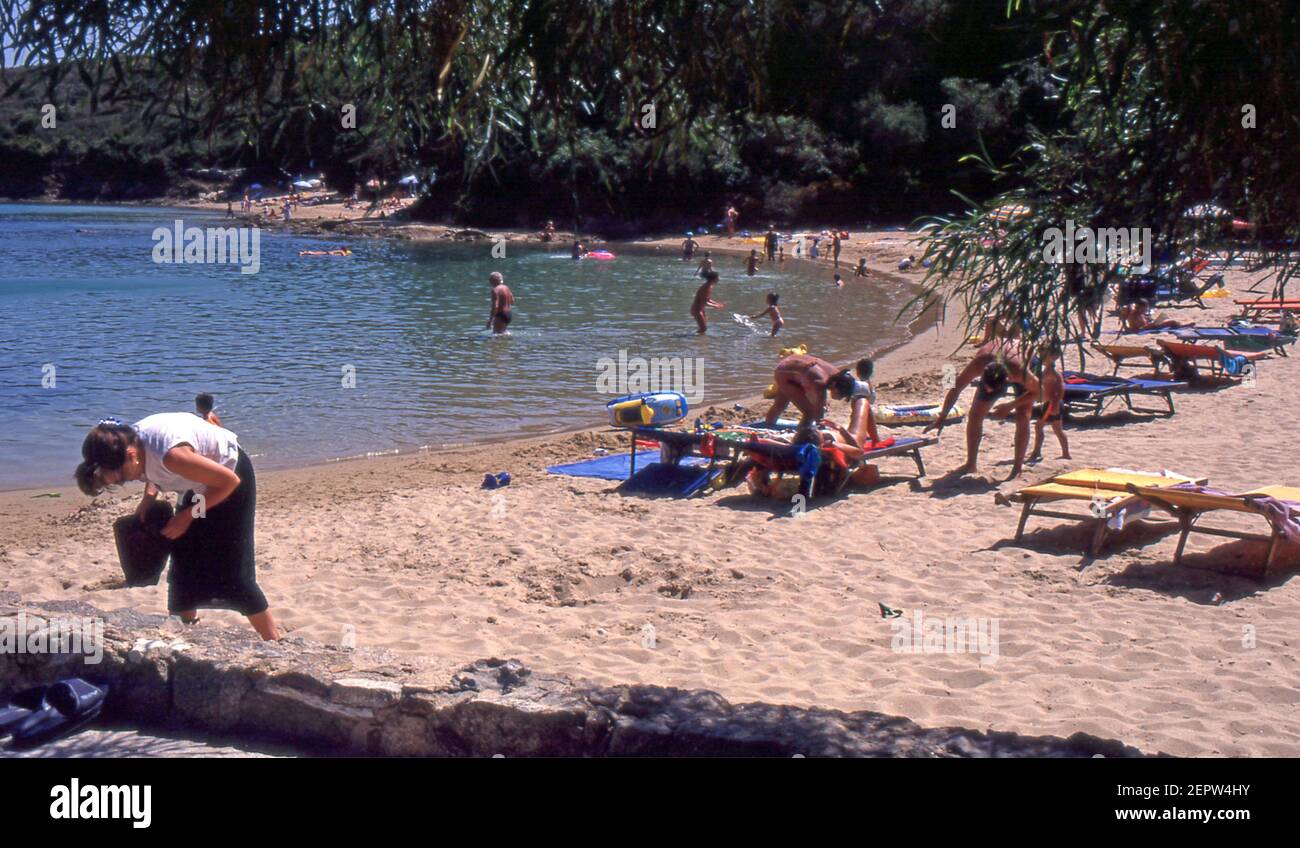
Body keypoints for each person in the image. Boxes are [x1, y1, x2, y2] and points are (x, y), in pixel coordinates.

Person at [74, 416, 279, 640]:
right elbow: (149, 468)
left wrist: (187, 516)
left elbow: (228, 481)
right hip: (195, 483)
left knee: (232, 573)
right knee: (183, 567)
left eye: (123, 477)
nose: (127, 481)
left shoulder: (172, 456)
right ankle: (186, 634)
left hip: (228, 481)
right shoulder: (126, 443)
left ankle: (274, 640)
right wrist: (149, 497)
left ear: (131, 455)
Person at [925, 333, 1040, 479]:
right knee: (975, 415)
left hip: (1024, 358)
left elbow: (1039, 391)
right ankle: (971, 464)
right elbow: (955, 389)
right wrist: (941, 418)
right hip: (995, 360)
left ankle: (1017, 468)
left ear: (1009, 379)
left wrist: (1010, 405)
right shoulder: (978, 364)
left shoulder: (1020, 372)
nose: (991, 392)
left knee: (1023, 415)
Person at [765, 354, 868, 429]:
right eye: (842, 395)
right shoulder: (820, 384)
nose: (841, 398)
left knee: (780, 404)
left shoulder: (838, 375)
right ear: (835, 386)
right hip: (785, 372)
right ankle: (801, 439)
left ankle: (768, 425)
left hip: (793, 364)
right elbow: (818, 417)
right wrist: (821, 429)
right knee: (809, 413)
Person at [1028, 342, 1070, 462]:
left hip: (1052, 403)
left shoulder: (1053, 372)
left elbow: (1060, 388)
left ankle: (1037, 452)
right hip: (1050, 403)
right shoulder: (1047, 369)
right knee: (1057, 429)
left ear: (1052, 357)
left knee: (1039, 427)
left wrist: (1055, 404)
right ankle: (1065, 453)